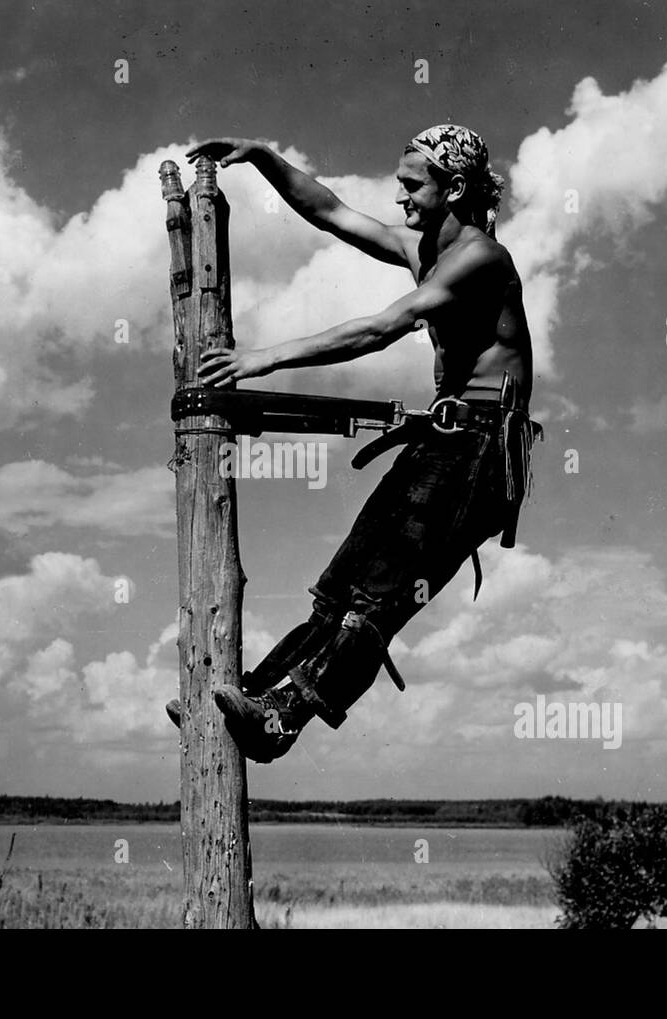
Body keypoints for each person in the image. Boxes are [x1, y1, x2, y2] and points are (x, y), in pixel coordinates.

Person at [168, 125, 540, 763]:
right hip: (446, 437)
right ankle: (254, 695)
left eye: (412, 184)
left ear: (455, 189)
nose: (400, 196)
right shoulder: (423, 246)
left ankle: (283, 721)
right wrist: (262, 156)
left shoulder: (482, 257)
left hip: (481, 449)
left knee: (378, 599)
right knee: (341, 588)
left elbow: (384, 327)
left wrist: (264, 359)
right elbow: (330, 211)